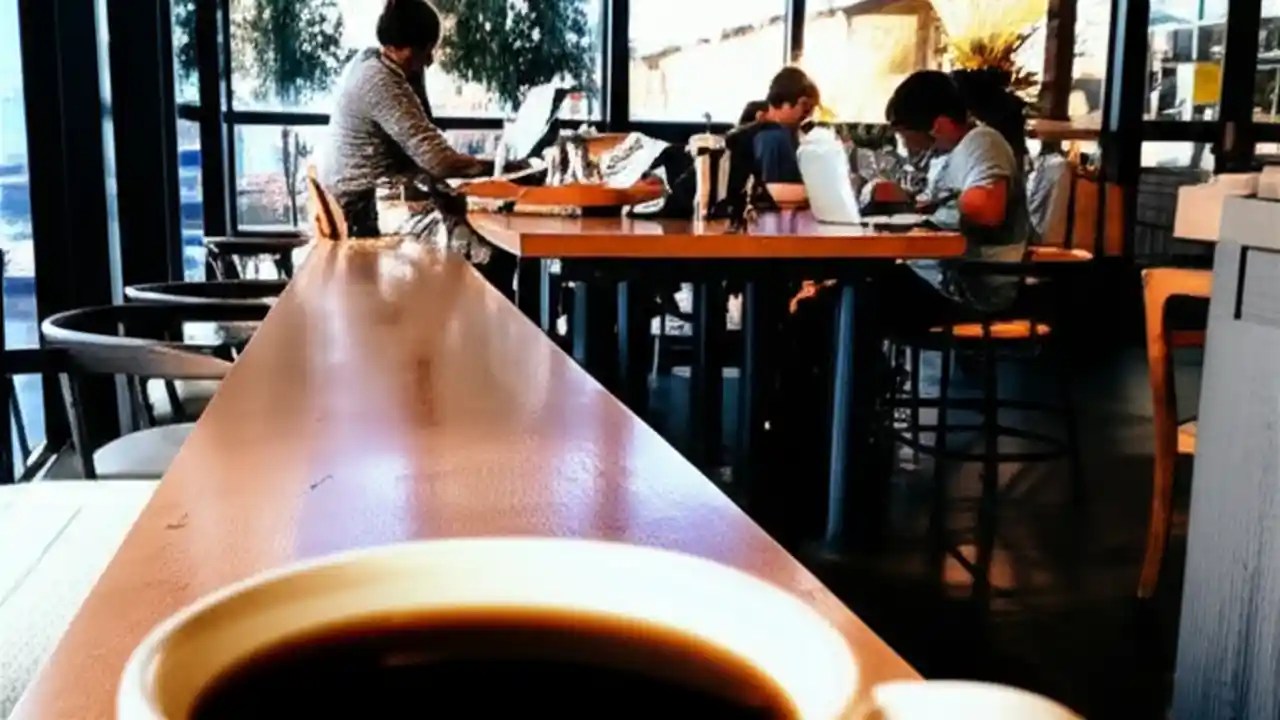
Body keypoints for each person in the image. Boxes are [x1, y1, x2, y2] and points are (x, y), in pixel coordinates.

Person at [873, 70, 1035, 330]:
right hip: (946, 279)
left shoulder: (983, 142)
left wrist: (938, 206)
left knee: (857, 298)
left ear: (937, 126)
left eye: (905, 135)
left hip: (969, 290)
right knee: (854, 290)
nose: (908, 145)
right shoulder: (952, 153)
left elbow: (989, 210)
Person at [321, 0, 488, 238]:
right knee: (470, 238)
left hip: (356, 200)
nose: (430, 61)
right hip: (361, 212)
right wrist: (497, 168)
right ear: (410, 51)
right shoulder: (380, 81)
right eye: (428, 50)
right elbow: (437, 161)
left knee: (454, 215)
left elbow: (424, 139)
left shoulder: (369, 62)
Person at [752, 67, 821, 184]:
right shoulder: (773, 138)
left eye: (811, 108)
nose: (808, 114)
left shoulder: (787, 134)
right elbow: (775, 188)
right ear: (783, 102)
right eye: (804, 106)